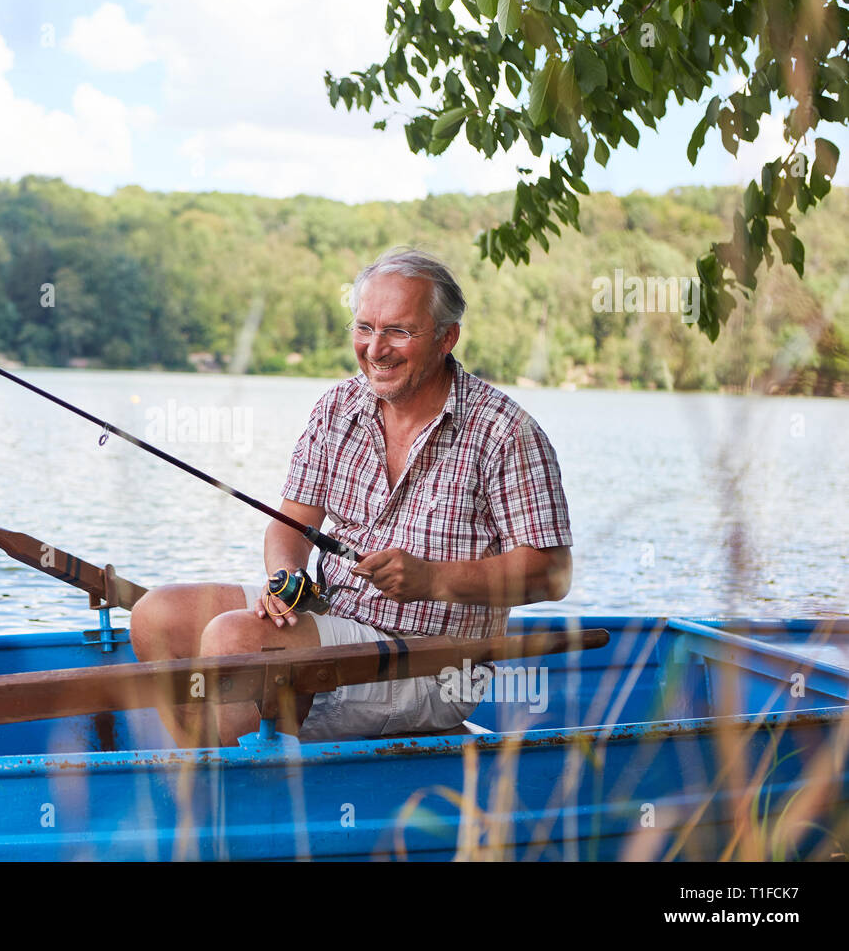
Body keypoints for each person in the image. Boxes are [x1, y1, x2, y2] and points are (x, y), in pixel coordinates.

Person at [130, 248, 573, 747]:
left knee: (235, 640)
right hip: (330, 613)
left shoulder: (506, 431)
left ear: (447, 337)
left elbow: (552, 574)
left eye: (398, 331)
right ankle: (224, 778)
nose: (376, 349)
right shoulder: (338, 405)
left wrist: (432, 578)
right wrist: (287, 577)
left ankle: (236, 802)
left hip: (437, 661)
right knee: (156, 615)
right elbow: (289, 523)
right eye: (365, 328)